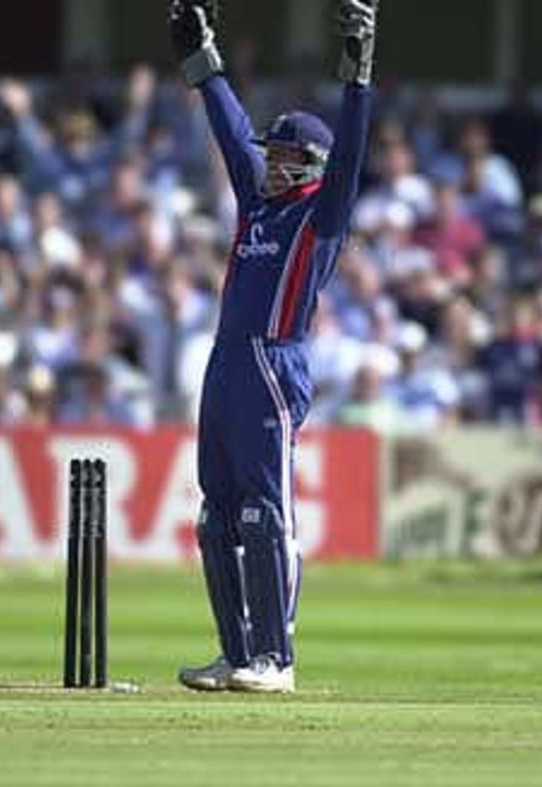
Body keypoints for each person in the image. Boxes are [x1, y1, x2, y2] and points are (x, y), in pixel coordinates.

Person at [170, 0, 376, 693]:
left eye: (284, 154)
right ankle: (235, 653)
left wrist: (358, 72)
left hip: (271, 361)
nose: (271, 163)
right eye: (273, 153)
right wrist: (203, 62)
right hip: (227, 361)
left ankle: (276, 659)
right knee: (216, 516)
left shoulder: (324, 216)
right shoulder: (258, 205)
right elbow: (231, 134)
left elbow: (350, 153)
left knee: (265, 513)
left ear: (310, 163)